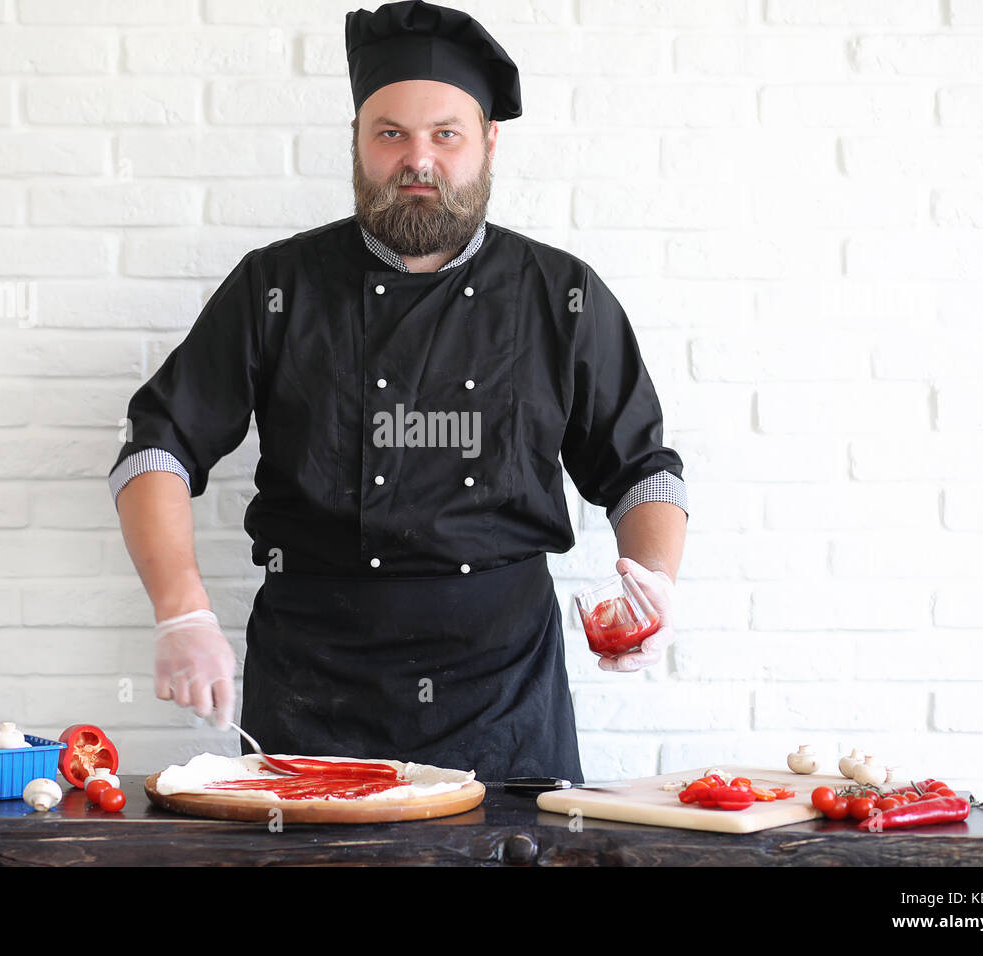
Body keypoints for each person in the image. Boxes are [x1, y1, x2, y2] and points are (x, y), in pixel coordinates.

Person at [110, 0, 687, 783]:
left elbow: (640, 469)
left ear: (488, 143)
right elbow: (157, 446)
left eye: (445, 134)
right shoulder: (276, 287)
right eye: (391, 134)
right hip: (314, 685)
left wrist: (652, 580)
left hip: (503, 697)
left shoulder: (561, 294)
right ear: (357, 142)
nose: (419, 160)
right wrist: (182, 610)